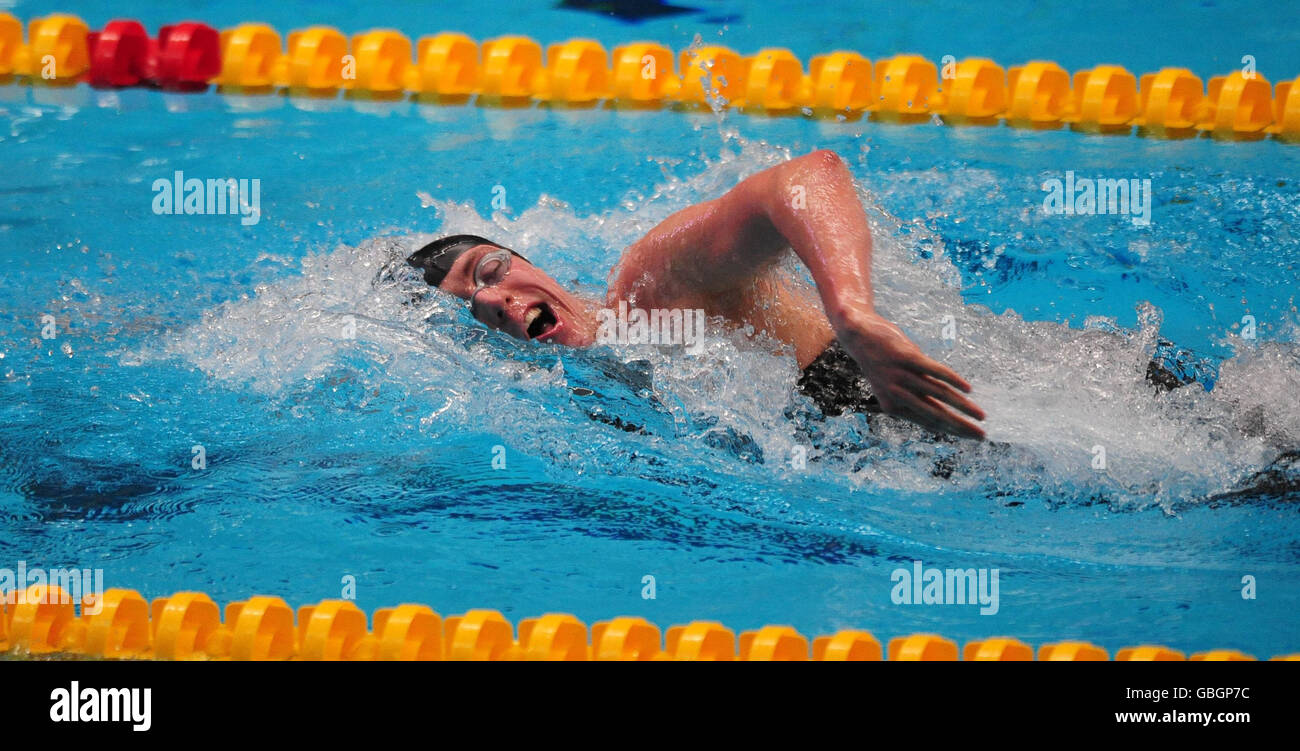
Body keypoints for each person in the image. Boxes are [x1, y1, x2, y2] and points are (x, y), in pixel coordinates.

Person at [407, 150, 989, 440]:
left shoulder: (652, 287)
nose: (492, 301)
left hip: (989, 409)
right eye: (470, 312)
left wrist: (852, 310)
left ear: (532, 263)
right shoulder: (572, 414)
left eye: (489, 270)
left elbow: (808, 177)